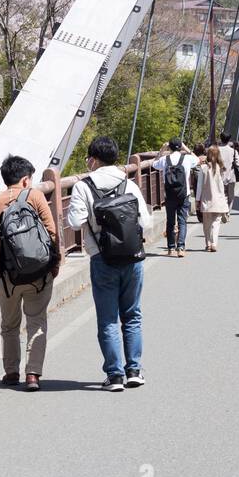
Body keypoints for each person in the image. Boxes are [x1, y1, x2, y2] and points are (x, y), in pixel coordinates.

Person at [67, 135, 154, 391]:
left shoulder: (84, 186)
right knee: (133, 314)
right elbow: (146, 223)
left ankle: (115, 376)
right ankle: (134, 371)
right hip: (132, 259)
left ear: (92, 159)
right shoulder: (129, 184)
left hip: (102, 259)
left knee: (108, 319)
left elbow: (74, 222)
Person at [0, 155, 60, 392]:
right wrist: (54, 263)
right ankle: (33, 374)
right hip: (39, 273)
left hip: (8, 276)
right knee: (37, 322)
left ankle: (11, 372)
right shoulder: (35, 196)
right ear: (26, 180)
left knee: (9, 325)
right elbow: (52, 232)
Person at [153, 138, 197, 257]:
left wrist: (162, 150)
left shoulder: (164, 159)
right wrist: (186, 148)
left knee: (170, 222)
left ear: (170, 147)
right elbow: (197, 160)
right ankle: (181, 247)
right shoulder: (187, 159)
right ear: (180, 147)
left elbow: (154, 164)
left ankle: (170, 248)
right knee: (182, 221)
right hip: (184, 194)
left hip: (169, 195)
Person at [196, 144, 230, 252]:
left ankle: (208, 244)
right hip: (218, 200)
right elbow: (225, 181)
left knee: (207, 223)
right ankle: (214, 243)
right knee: (216, 222)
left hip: (206, 200)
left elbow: (199, 186)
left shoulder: (203, 168)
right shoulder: (221, 168)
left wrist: (197, 200)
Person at [217, 134, 239, 220]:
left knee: (221, 195)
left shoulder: (216, 151)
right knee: (231, 196)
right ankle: (227, 212)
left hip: (219, 177)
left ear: (221, 139)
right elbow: (238, 164)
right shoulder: (233, 151)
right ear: (229, 140)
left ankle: (222, 211)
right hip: (231, 177)